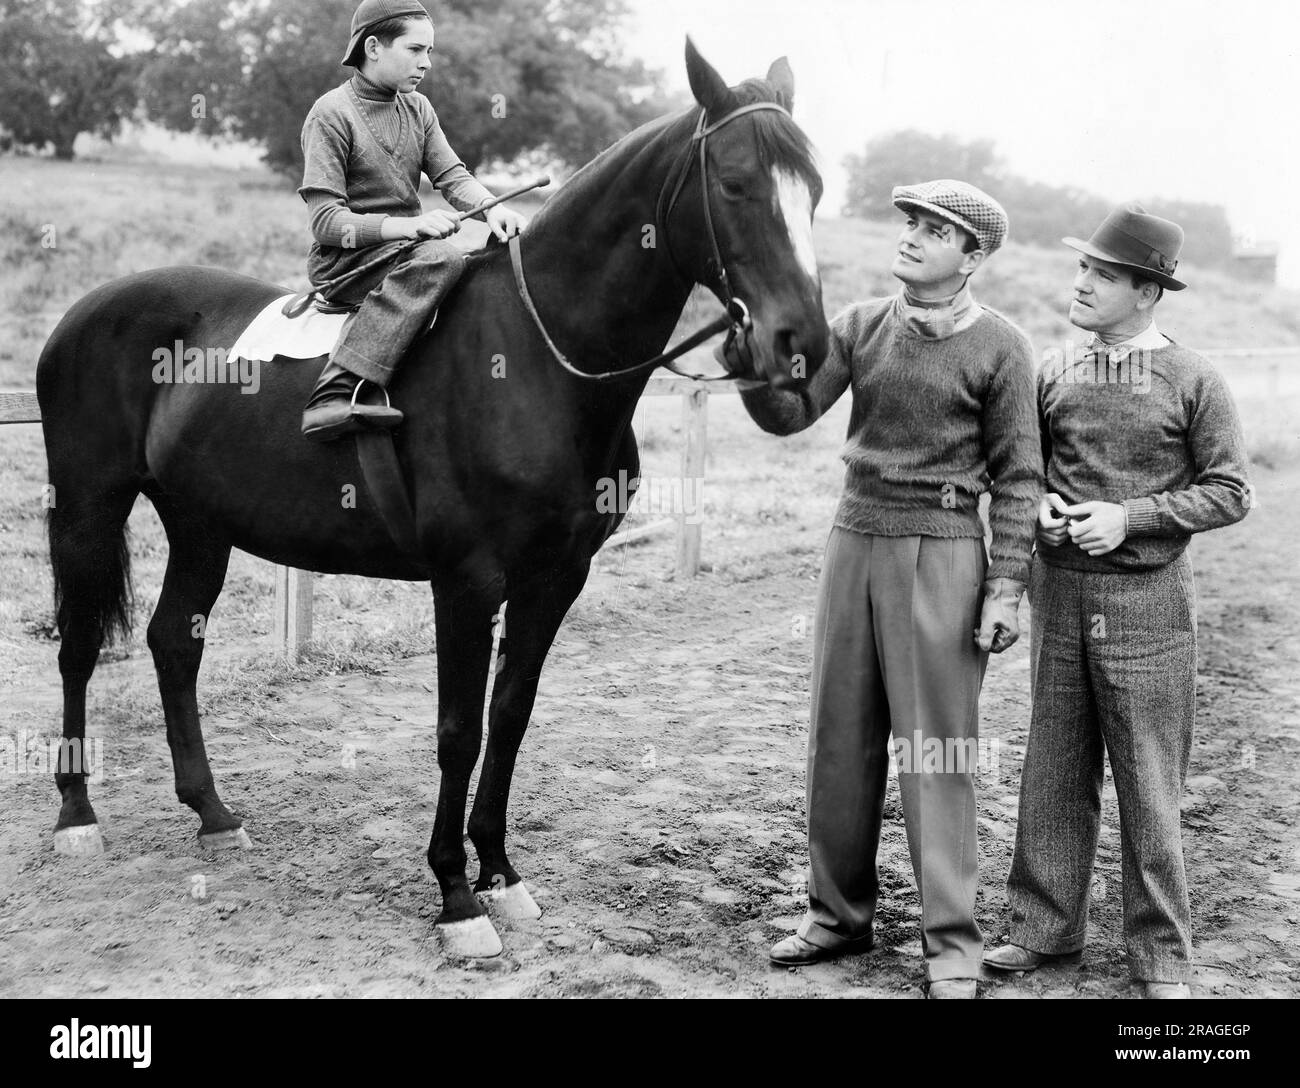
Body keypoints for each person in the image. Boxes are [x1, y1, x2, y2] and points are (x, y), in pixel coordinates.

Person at [738, 180, 1042, 998]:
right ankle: (837, 917)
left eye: (933, 229)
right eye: (907, 221)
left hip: (943, 553)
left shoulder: (1003, 347)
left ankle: (951, 948)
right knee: (838, 738)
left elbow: (1019, 480)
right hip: (853, 541)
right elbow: (791, 412)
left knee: (936, 752)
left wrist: (1007, 587)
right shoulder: (863, 323)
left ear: (973, 255)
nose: (909, 236)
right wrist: (753, 361)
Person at [985, 204, 1252, 999]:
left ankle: (1162, 958)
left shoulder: (1195, 378)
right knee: (1055, 765)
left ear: (1147, 293)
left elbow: (1230, 492)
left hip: (1149, 605)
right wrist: (1039, 507)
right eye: (1082, 270)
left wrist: (1127, 517)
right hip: (1058, 594)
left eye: (1102, 275)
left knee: (1148, 779)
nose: (1082, 284)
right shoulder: (1055, 369)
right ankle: (1043, 930)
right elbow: (1019, 466)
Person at [297, 0, 527, 441]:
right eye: (416, 49)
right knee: (442, 257)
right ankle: (335, 391)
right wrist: (408, 227)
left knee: (487, 264)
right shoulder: (330, 113)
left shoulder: (418, 108)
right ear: (373, 47)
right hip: (349, 264)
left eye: (430, 52)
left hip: (408, 254)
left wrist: (494, 209)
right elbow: (326, 222)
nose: (426, 63)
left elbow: (452, 176)